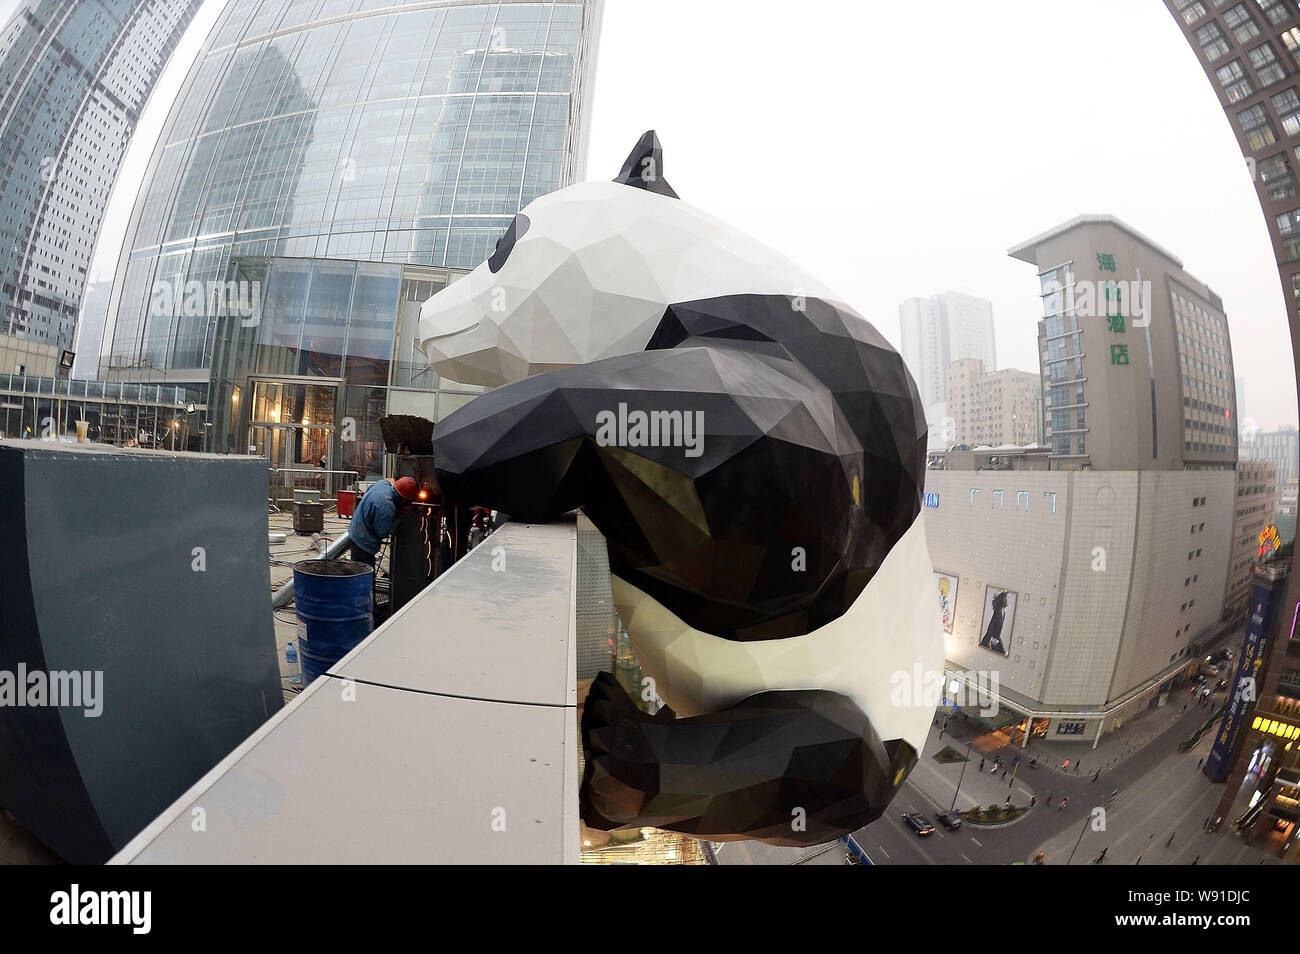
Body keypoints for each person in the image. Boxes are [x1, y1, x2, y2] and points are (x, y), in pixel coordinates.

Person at [348, 476, 420, 568]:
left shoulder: (382, 484)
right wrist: (400, 517)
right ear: (405, 499)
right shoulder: (387, 507)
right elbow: (382, 532)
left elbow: (375, 486)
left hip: (356, 528)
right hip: (363, 541)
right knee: (364, 574)